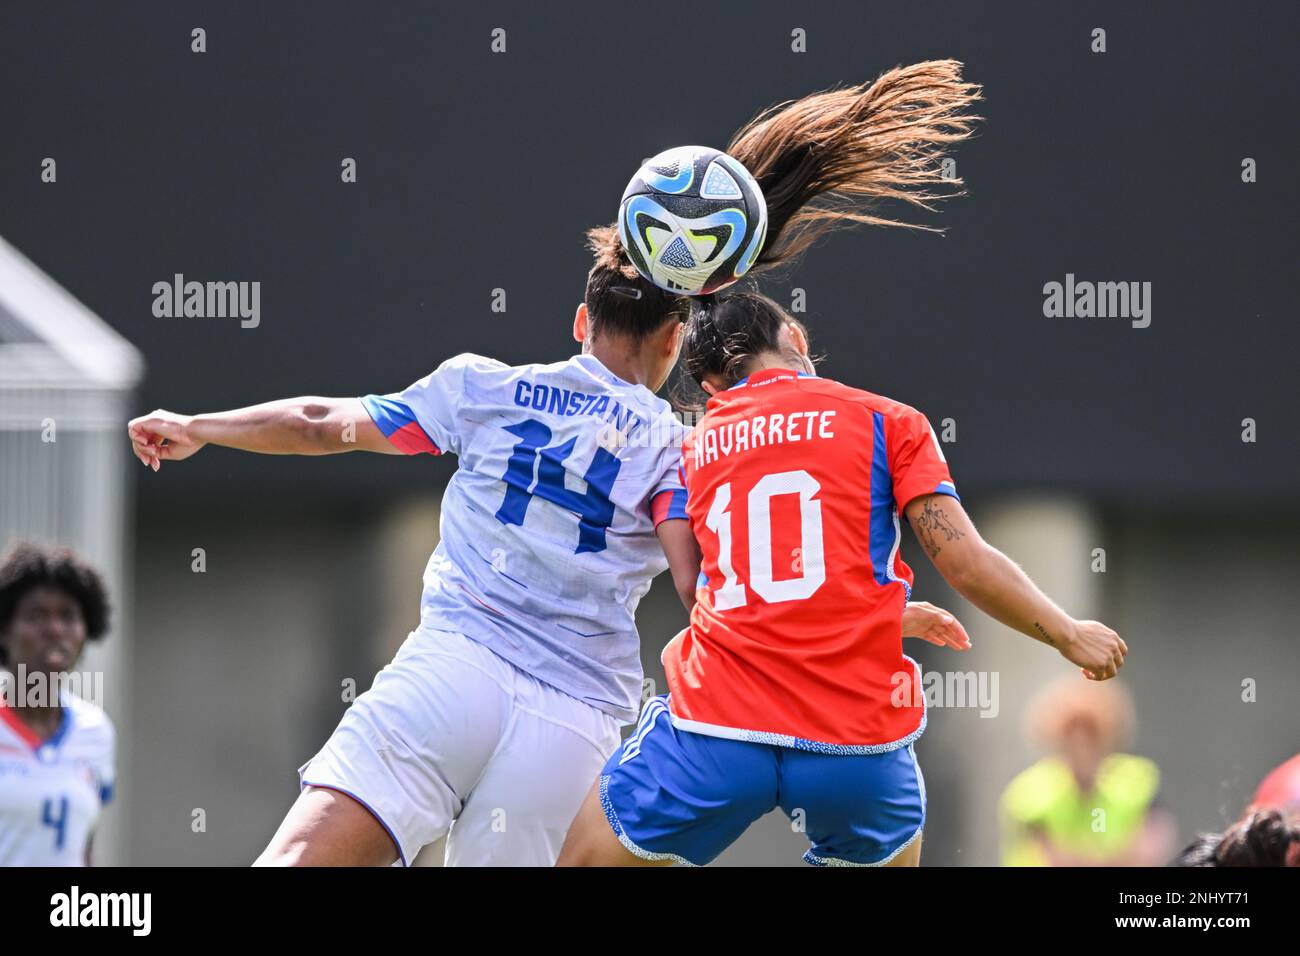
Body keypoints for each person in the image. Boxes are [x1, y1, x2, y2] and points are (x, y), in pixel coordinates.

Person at [127, 57, 981, 867]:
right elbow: (711, 596)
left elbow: (320, 423)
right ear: (678, 339)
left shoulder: (482, 390)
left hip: (453, 669)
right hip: (569, 719)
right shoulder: (677, 449)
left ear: (582, 321)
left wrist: (199, 424)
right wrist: (875, 617)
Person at [558, 288, 1128, 867]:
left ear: (710, 388)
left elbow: (711, 587)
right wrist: (1066, 633)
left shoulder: (694, 445)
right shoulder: (890, 421)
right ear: (797, 340)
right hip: (854, 744)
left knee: (580, 859)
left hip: (718, 730)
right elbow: (965, 562)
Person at [0, 541, 116, 867]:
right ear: (4, 631)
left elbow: (82, 850)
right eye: (36, 616)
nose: (54, 629)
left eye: (68, 616)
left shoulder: (96, 731)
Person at [1000, 675, 1174, 866]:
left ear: (1109, 739)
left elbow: (1152, 850)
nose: (1081, 749)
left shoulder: (1137, 782)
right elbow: (1045, 858)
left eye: (1092, 738)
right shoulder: (1031, 794)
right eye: (1071, 739)